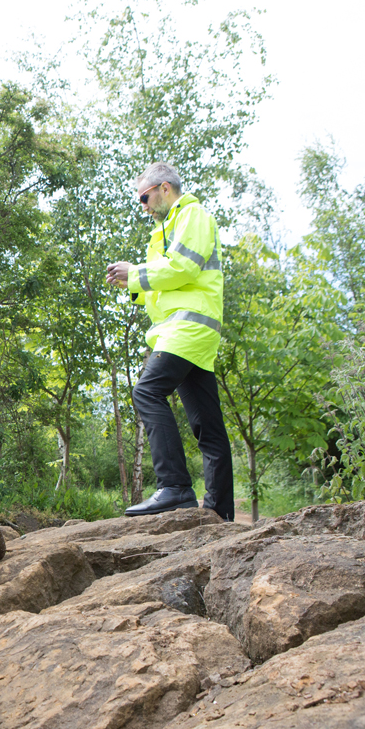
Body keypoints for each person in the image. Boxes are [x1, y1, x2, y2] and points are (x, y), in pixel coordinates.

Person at [105, 163, 234, 521]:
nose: (142, 205)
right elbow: (163, 287)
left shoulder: (192, 214)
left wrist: (137, 274)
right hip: (187, 332)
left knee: (146, 392)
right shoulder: (162, 231)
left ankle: (175, 487)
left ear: (164, 188)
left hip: (188, 328)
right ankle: (220, 513)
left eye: (144, 197)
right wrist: (131, 285)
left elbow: (183, 269)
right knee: (208, 427)